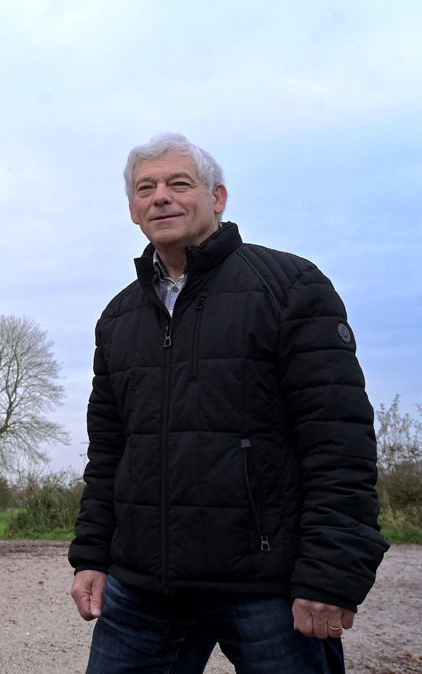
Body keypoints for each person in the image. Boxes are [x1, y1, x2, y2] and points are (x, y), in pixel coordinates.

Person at [68, 133, 388, 674]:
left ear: (217, 197)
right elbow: (109, 453)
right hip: (143, 589)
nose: (160, 197)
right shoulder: (119, 316)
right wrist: (92, 555)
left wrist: (331, 575)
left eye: (178, 183)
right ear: (132, 210)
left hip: (267, 588)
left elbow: (338, 442)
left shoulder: (290, 287)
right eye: (146, 188)